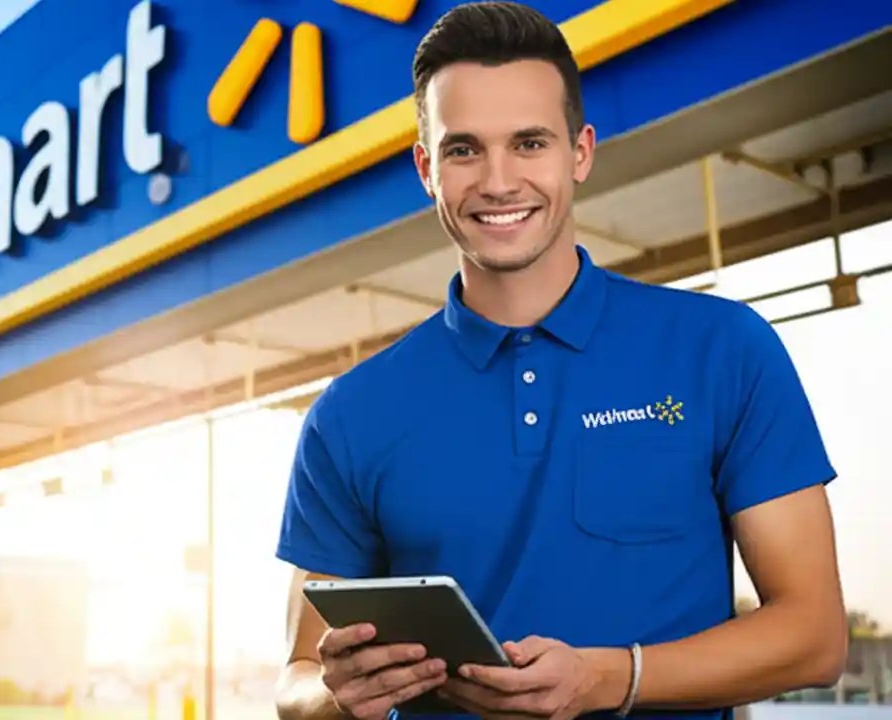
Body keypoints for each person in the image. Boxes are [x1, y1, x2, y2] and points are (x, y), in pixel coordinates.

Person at [272, 2, 848, 719]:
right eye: (463, 149)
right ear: (426, 167)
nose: (498, 180)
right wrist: (332, 697)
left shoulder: (722, 349)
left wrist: (611, 677)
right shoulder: (349, 415)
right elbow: (296, 679)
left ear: (580, 151)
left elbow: (814, 636)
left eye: (529, 143)